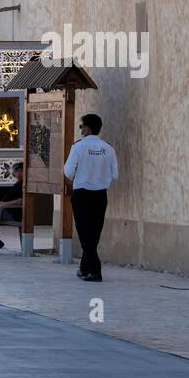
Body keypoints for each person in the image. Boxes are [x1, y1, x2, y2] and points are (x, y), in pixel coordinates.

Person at [64, 113, 119, 282]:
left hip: (82, 194)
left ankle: (95, 269)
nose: (81, 130)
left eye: (81, 127)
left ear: (87, 128)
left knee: (83, 232)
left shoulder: (78, 147)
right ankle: (84, 267)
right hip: (100, 195)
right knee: (94, 232)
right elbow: (115, 174)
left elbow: (68, 171)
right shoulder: (108, 148)